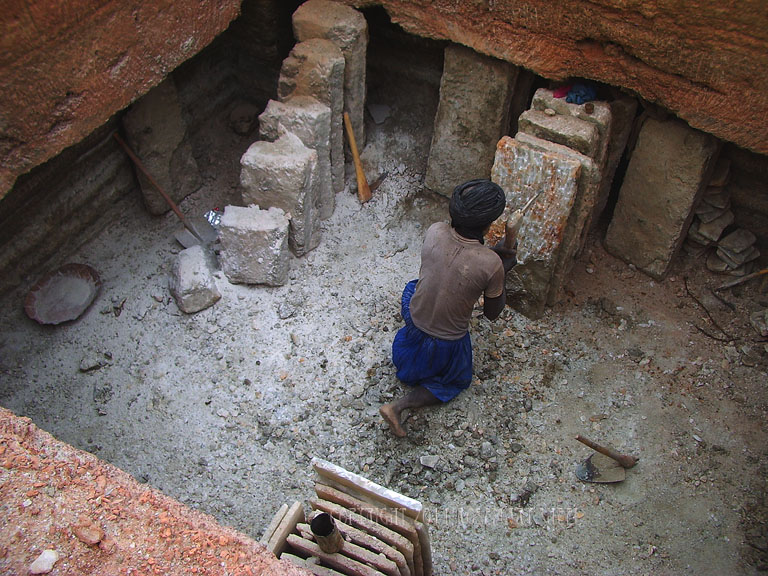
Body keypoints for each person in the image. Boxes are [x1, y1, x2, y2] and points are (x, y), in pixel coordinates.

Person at [380, 179, 517, 437]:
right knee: (456, 381)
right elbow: (492, 313)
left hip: (413, 323)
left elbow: (457, 260)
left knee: (414, 286)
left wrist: (491, 257)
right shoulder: (491, 264)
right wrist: (503, 271)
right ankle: (399, 406)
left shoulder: (435, 230)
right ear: (488, 225)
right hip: (443, 345)